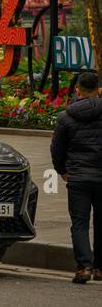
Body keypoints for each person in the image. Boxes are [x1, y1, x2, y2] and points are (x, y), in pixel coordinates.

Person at [51, 69, 102, 284]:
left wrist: (62, 170)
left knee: (79, 222)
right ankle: (100, 269)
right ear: (99, 90)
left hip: (78, 177)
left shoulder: (66, 117)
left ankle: (84, 267)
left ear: (78, 91)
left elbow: (57, 149)